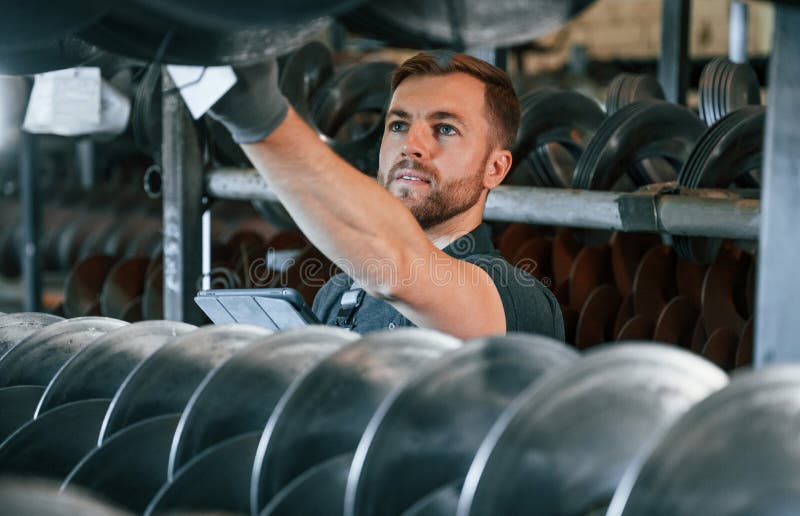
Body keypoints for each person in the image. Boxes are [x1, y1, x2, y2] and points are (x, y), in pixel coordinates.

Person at [210, 50, 564, 340]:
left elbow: (399, 272)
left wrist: (258, 117)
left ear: (496, 168)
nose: (412, 145)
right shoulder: (338, 294)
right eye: (398, 125)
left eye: (445, 128)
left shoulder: (519, 300)